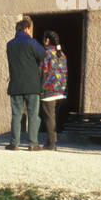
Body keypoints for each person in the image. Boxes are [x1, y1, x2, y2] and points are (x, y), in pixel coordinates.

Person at [6, 17, 45, 151]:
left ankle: (14, 143)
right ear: (27, 29)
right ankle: (33, 144)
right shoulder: (31, 42)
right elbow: (42, 55)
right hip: (32, 85)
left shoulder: (10, 44)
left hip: (15, 84)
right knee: (33, 114)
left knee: (16, 115)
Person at [40, 30, 68, 150]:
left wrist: (40, 87)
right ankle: (51, 140)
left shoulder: (46, 53)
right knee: (53, 115)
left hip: (49, 89)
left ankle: (51, 143)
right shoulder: (61, 54)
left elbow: (42, 71)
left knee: (49, 116)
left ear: (47, 40)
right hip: (61, 89)